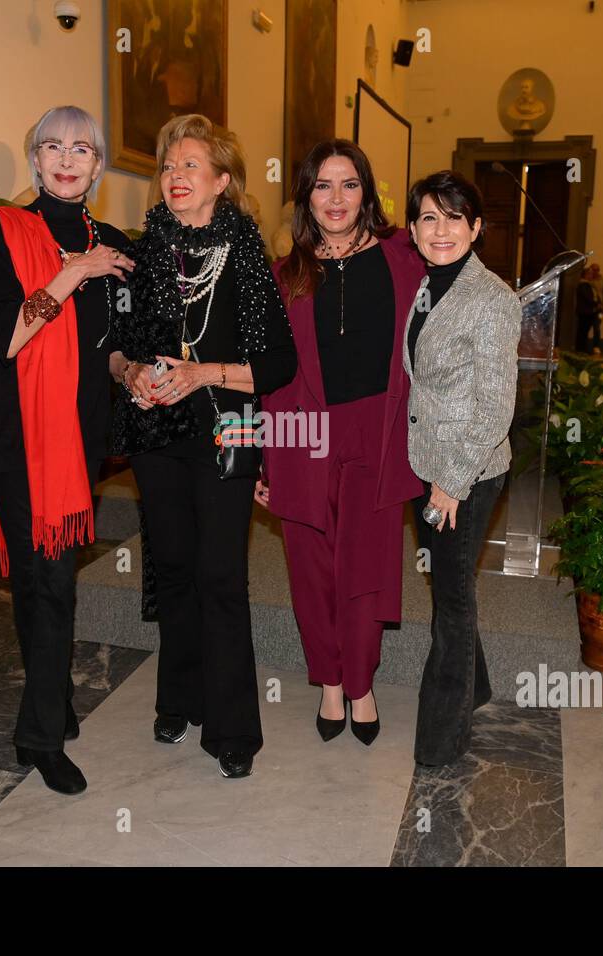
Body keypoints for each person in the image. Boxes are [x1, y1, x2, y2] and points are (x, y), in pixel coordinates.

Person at [110, 114, 296, 780]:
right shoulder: (145, 251)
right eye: (168, 166)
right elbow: (120, 349)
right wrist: (133, 376)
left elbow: (277, 363)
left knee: (221, 576)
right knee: (176, 569)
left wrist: (201, 373)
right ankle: (178, 697)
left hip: (230, 424)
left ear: (222, 180)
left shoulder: (246, 253)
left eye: (191, 165)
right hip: (159, 433)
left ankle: (233, 728)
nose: (176, 176)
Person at [0, 105, 134, 795]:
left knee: (42, 580)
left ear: (99, 165)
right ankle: (38, 737)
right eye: (52, 146)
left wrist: (130, 370)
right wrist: (72, 273)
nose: (67, 158)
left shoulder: (115, 240)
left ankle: (53, 697)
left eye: (83, 148)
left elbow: (115, 343)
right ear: (34, 160)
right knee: (52, 578)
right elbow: (4, 336)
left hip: (81, 437)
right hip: (17, 438)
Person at [259, 140, 425, 747]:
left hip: (377, 431)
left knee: (366, 565)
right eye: (322, 186)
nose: (335, 198)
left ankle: (360, 683)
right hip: (302, 433)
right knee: (310, 565)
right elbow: (266, 372)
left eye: (349, 184)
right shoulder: (287, 275)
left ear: (368, 191)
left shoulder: (405, 256)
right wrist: (260, 455)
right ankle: (328, 681)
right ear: (305, 196)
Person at [404, 171, 522, 768]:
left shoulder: (494, 299)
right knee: (451, 585)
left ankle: (441, 739)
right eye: (428, 217)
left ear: (476, 228)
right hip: (426, 463)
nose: (440, 229)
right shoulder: (427, 287)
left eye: (454, 217)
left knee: (450, 603)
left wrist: (451, 483)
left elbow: (496, 408)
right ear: (413, 229)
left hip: (466, 474)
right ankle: (476, 687)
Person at [574, 262, 602, 354]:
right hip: (585, 312)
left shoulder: (588, 284)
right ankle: (580, 349)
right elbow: (588, 298)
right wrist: (596, 303)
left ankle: (582, 349)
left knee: (584, 331)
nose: (591, 275)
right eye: (589, 274)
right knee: (582, 331)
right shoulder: (583, 285)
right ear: (585, 275)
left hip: (589, 311)